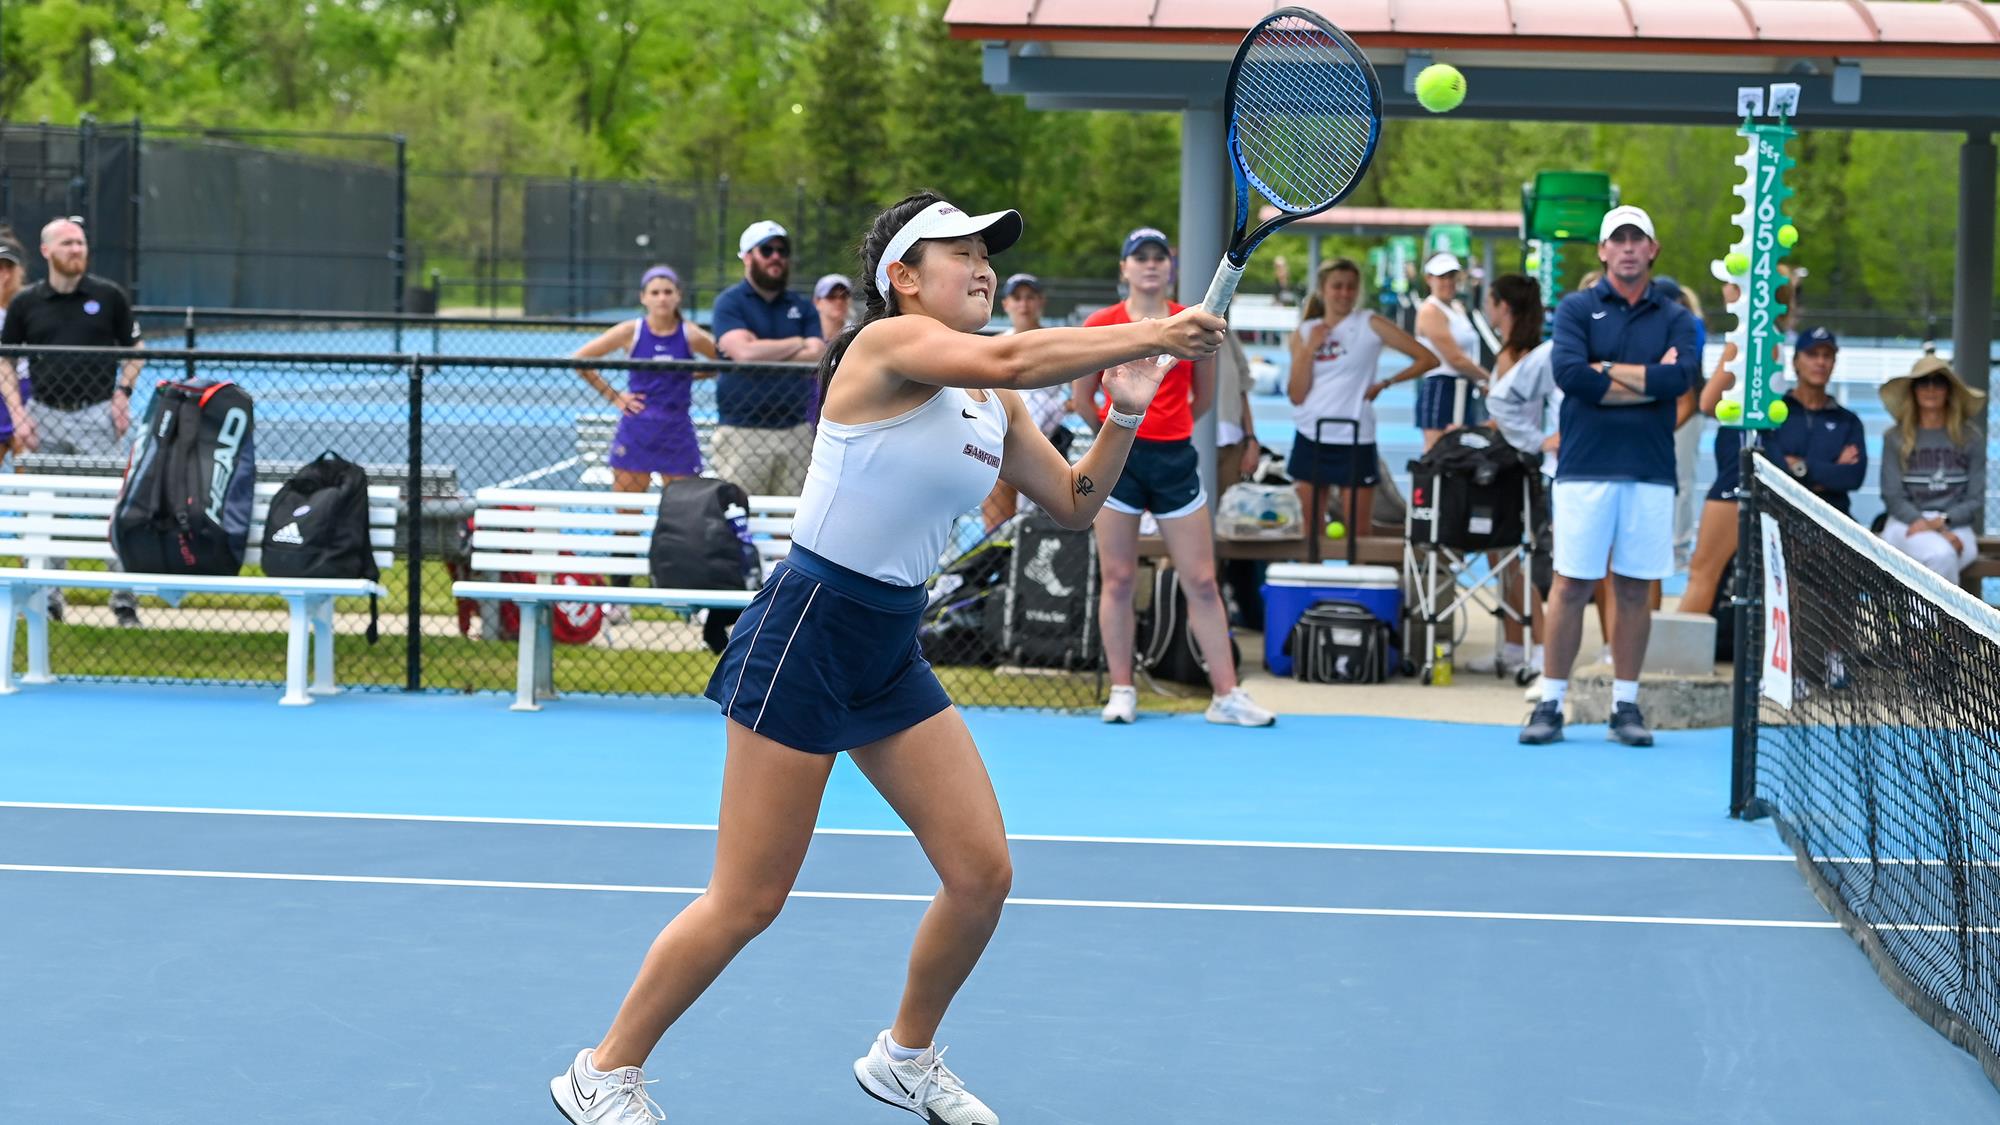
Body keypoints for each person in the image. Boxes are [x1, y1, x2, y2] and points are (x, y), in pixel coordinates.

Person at [547, 191, 1228, 1125]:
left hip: (887, 643)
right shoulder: (885, 347)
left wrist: (1126, 413)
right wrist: (1152, 330)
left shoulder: (991, 397)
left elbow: (1071, 503)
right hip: (809, 630)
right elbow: (1018, 350)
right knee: (748, 899)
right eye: (962, 250)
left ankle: (905, 1057)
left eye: (991, 251)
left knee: (983, 873)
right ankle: (604, 1070)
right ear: (902, 277)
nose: (985, 263)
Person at [1071, 227, 1276, 728]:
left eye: (1159, 257)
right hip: (1118, 461)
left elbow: (1203, 398)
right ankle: (1123, 690)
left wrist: (1168, 425)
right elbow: (1082, 399)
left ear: (1170, 268)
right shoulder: (1102, 324)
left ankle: (1225, 695)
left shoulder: (1194, 322)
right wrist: (1115, 436)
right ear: (1124, 268)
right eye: (1138, 256)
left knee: (1203, 580)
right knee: (1117, 578)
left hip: (1174, 461)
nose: (1150, 264)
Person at [1520, 205, 1698, 747]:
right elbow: (1571, 374)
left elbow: (1681, 378)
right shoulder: (1575, 308)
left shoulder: (1677, 318)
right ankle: (1550, 702)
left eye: (1636, 239)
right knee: (1571, 584)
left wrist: (1608, 374)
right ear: (1602, 251)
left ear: (1652, 249)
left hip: (1649, 470)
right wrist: (1645, 382)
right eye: (1616, 240)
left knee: (1634, 588)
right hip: (1582, 470)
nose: (1626, 248)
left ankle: (1625, 704)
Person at [0, 217, 146, 627]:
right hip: (44, 418)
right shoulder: (28, 303)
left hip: (97, 416)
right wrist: (18, 414)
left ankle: (123, 601)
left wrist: (123, 396)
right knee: (44, 513)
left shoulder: (108, 296)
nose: (76, 250)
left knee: (112, 509)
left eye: (80, 243)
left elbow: (136, 350)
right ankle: (47, 600)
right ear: (47, 251)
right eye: (67, 244)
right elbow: (6, 361)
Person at [1681, 325, 1865, 616]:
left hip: (1833, 526)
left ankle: (1835, 657)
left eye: (1827, 356)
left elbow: (1852, 477)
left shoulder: (1848, 421)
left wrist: (1800, 467)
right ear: (1795, 361)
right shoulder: (1772, 412)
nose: (1820, 362)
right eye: (1812, 354)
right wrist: (1822, 471)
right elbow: (1777, 473)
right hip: (1781, 522)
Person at [1286, 257, 1436, 535]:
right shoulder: (1305, 332)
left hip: (1356, 436)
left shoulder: (1370, 323)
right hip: (1310, 435)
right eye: (1337, 286)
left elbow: (1427, 359)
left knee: (1359, 533)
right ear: (1323, 289)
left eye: (1351, 287)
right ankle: (1313, 577)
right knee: (1309, 533)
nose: (1344, 293)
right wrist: (1310, 349)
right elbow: (1296, 395)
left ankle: (1356, 576)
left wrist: (1386, 382)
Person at [570, 265, 719, 496]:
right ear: (643, 298)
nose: (662, 298)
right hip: (637, 429)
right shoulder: (631, 331)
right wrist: (614, 395)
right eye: (655, 292)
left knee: (683, 515)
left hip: (677, 432)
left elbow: (725, 362)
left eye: (668, 292)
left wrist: (689, 374)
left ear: (678, 295)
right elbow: (580, 359)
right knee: (627, 518)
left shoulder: (691, 334)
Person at [1475, 273, 1559, 680]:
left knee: (1517, 561)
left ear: (1502, 306)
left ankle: (1541, 650)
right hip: (1515, 462)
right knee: (1503, 558)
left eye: (1490, 301)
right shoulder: (1516, 351)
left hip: (1516, 466)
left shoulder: (1515, 356)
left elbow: (1508, 416)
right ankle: (1513, 647)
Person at [708, 220, 825, 495]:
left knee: (793, 525)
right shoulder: (729, 303)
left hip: (796, 432)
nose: (776, 257)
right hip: (742, 432)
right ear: (747, 257)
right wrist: (797, 342)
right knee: (735, 523)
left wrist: (760, 346)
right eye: (767, 250)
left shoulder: (801, 306)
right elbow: (744, 354)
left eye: (782, 251)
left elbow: (817, 353)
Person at [978, 272, 1076, 530]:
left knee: (1040, 520)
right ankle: (996, 556)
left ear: (1040, 302)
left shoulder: (1058, 342)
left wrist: (1061, 407)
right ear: (1006, 304)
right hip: (1001, 439)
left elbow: (1078, 396)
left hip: (1044, 440)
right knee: (997, 516)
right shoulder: (996, 344)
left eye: (1030, 298)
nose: (1024, 304)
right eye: (1017, 298)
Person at [1878, 352, 1985, 583]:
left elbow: (1975, 498)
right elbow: (1892, 495)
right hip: (1906, 524)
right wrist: (1930, 526)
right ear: (1913, 390)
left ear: (1949, 390)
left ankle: (1907, 616)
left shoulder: (1971, 438)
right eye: (1923, 382)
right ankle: (1941, 620)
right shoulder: (1894, 438)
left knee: (1943, 556)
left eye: (1939, 381)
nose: (1930, 388)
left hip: (1956, 525)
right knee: (1942, 555)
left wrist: (1943, 523)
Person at [1413, 252, 1489, 451]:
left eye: (1451, 276)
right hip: (1440, 387)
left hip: (1462, 386)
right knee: (1436, 452)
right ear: (1429, 279)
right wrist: (1489, 379)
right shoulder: (1430, 310)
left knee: (1462, 452)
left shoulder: (1457, 307)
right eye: (1441, 277)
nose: (1448, 282)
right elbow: (1455, 358)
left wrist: (1480, 381)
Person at [0, 237, 28, 467]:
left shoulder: (28, 303)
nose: (4, 275)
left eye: (8, 268)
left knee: (25, 460)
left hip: (24, 389)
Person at [813, 273, 853, 341]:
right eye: (831, 297)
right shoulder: (806, 334)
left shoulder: (856, 335)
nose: (839, 301)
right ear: (817, 302)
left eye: (843, 297)